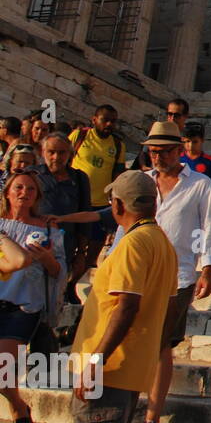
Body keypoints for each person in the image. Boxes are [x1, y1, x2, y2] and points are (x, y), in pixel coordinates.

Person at [43, 171, 176, 423]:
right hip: (125, 365)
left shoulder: (136, 244)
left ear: (118, 205)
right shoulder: (160, 241)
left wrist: (96, 362)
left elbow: (126, 307)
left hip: (110, 367)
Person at [115, 121, 211, 423]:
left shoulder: (200, 184)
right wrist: (112, 259)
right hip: (136, 272)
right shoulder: (140, 183)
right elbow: (124, 225)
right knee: (133, 339)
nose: (156, 157)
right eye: (152, 151)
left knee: (160, 345)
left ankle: (150, 420)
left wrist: (208, 270)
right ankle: (127, 410)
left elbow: (209, 227)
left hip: (180, 274)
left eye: (163, 151)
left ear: (179, 150)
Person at [0, 171, 67, 423]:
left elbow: (59, 271)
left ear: (37, 196)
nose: (23, 193)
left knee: (2, 367)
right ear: (7, 192)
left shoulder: (48, 229)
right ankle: (18, 405)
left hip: (24, 305)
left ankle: (18, 408)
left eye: (30, 189)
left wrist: (48, 258)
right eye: (18, 187)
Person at [69, 105, 127, 291]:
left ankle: (71, 284)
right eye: (105, 120)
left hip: (100, 205)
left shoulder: (117, 145)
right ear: (94, 119)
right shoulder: (79, 136)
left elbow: (117, 174)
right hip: (75, 202)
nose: (109, 124)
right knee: (69, 247)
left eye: (113, 121)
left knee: (93, 252)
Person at [34, 133, 91, 308]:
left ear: (70, 154)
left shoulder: (80, 179)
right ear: (43, 152)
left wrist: (81, 253)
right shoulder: (33, 175)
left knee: (56, 297)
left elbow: (85, 216)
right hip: (34, 247)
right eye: (51, 152)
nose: (56, 157)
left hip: (65, 249)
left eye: (62, 152)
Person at [132, 99, 190, 172]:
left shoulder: (189, 136)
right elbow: (144, 152)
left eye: (176, 115)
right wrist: (144, 166)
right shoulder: (159, 131)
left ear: (185, 116)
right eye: (170, 114)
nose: (172, 118)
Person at [179, 122, 211, 188]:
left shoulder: (210, 161)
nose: (191, 145)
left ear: (202, 140)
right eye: (188, 141)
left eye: (195, 142)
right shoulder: (178, 159)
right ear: (183, 140)